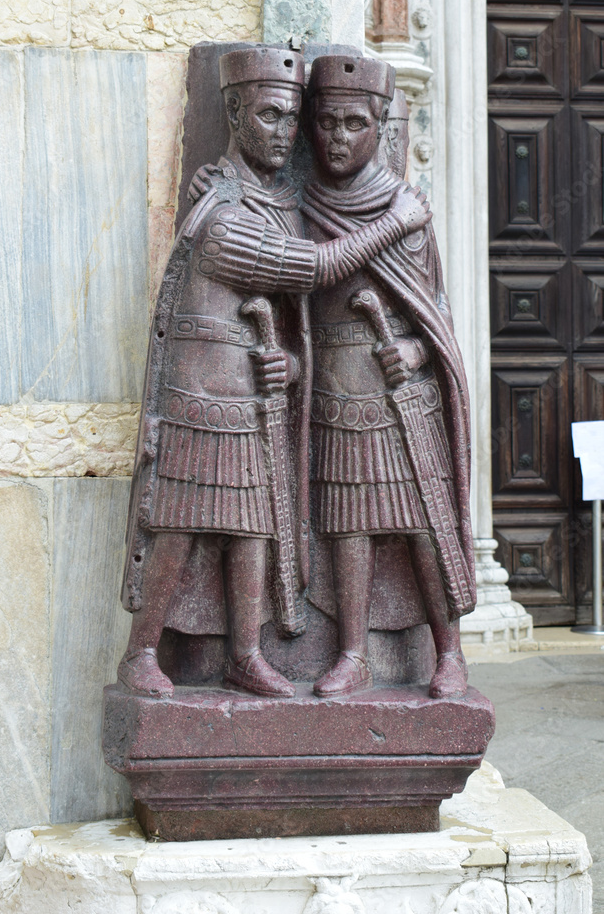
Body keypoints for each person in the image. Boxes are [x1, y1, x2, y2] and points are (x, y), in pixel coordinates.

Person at [118, 46, 433, 700]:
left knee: (252, 527)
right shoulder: (225, 215)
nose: (283, 132)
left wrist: (290, 362)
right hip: (201, 391)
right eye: (267, 115)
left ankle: (243, 655)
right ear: (233, 112)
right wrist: (395, 221)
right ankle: (142, 651)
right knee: (179, 518)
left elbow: (298, 320)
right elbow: (312, 272)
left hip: (255, 394)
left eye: (290, 118)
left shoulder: (275, 198)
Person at [302, 54, 475, 699]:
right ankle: (351, 653)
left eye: (353, 123)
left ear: (379, 127)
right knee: (349, 527)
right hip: (334, 389)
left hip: (400, 395)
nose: (338, 138)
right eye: (325, 123)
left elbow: (439, 313)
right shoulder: (302, 203)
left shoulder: (407, 212)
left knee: (421, 524)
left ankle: (447, 649)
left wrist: (417, 351)